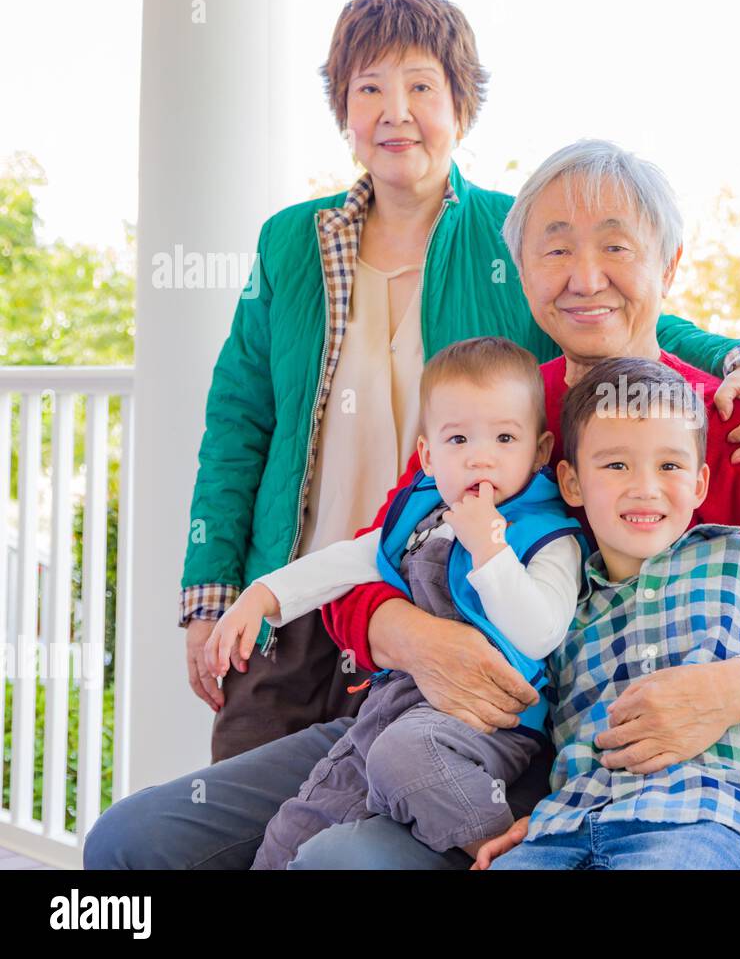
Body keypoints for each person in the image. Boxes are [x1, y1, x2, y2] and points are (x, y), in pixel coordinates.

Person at [83, 140, 740, 871]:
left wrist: (734, 689)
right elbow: (372, 559)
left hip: (555, 761)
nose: (585, 275)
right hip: (403, 716)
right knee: (131, 841)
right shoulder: (499, 405)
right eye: (555, 248)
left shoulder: (723, 422)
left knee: (336, 862)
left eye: (616, 246)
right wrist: (416, 637)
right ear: (522, 272)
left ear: (669, 263)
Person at [180, 0, 740, 764]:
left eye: (420, 87)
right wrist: (209, 597)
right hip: (298, 586)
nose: (394, 112)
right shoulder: (290, 243)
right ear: (344, 109)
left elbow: (617, 318)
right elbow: (237, 422)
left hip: (437, 588)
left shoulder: (509, 239)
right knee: (243, 807)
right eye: (368, 88)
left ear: (461, 108)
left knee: (368, 798)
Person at [471, 357, 740, 869]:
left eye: (669, 466)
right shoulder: (563, 604)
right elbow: (563, 734)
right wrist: (536, 817)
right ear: (572, 483)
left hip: (711, 813)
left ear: (699, 483)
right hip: (572, 823)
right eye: (616, 465)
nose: (645, 487)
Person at [204, 338, 586, 866]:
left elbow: (540, 632)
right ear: (428, 456)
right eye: (458, 439)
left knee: (404, 755)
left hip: (487, 726)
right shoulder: (421, 518)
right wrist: (262, 596)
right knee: (294, 829)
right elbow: (346, 562)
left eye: (504, 437)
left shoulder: (549, 535)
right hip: (390, 710)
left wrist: (490, 549)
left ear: (540, 451)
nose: (481, 456)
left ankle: (501, 849)